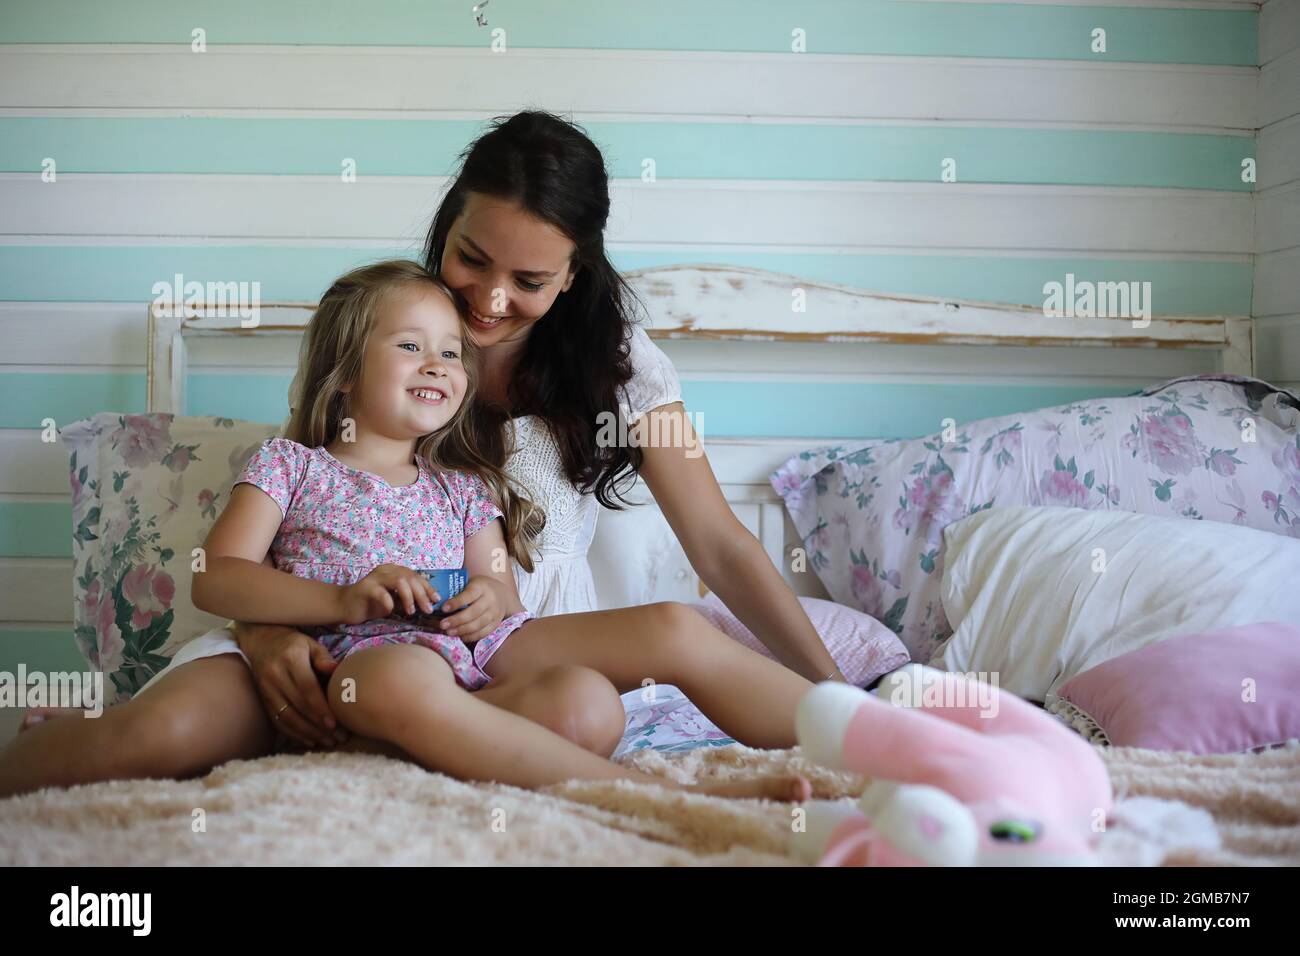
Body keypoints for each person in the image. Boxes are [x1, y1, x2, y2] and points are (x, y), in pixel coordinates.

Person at [0, 259, 813, 801]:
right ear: (346, 371)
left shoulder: (464, 488)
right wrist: (342, 603)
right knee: (162, 734)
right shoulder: (293, 465)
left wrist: (491, 597)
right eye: (410, 346)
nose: (440, 364)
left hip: (456, 663)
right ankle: (650, 801)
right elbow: (218, 576)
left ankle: (859, 735)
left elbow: (494, 578)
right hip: (317, 663)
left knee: (597, 700)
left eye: (453, 352)